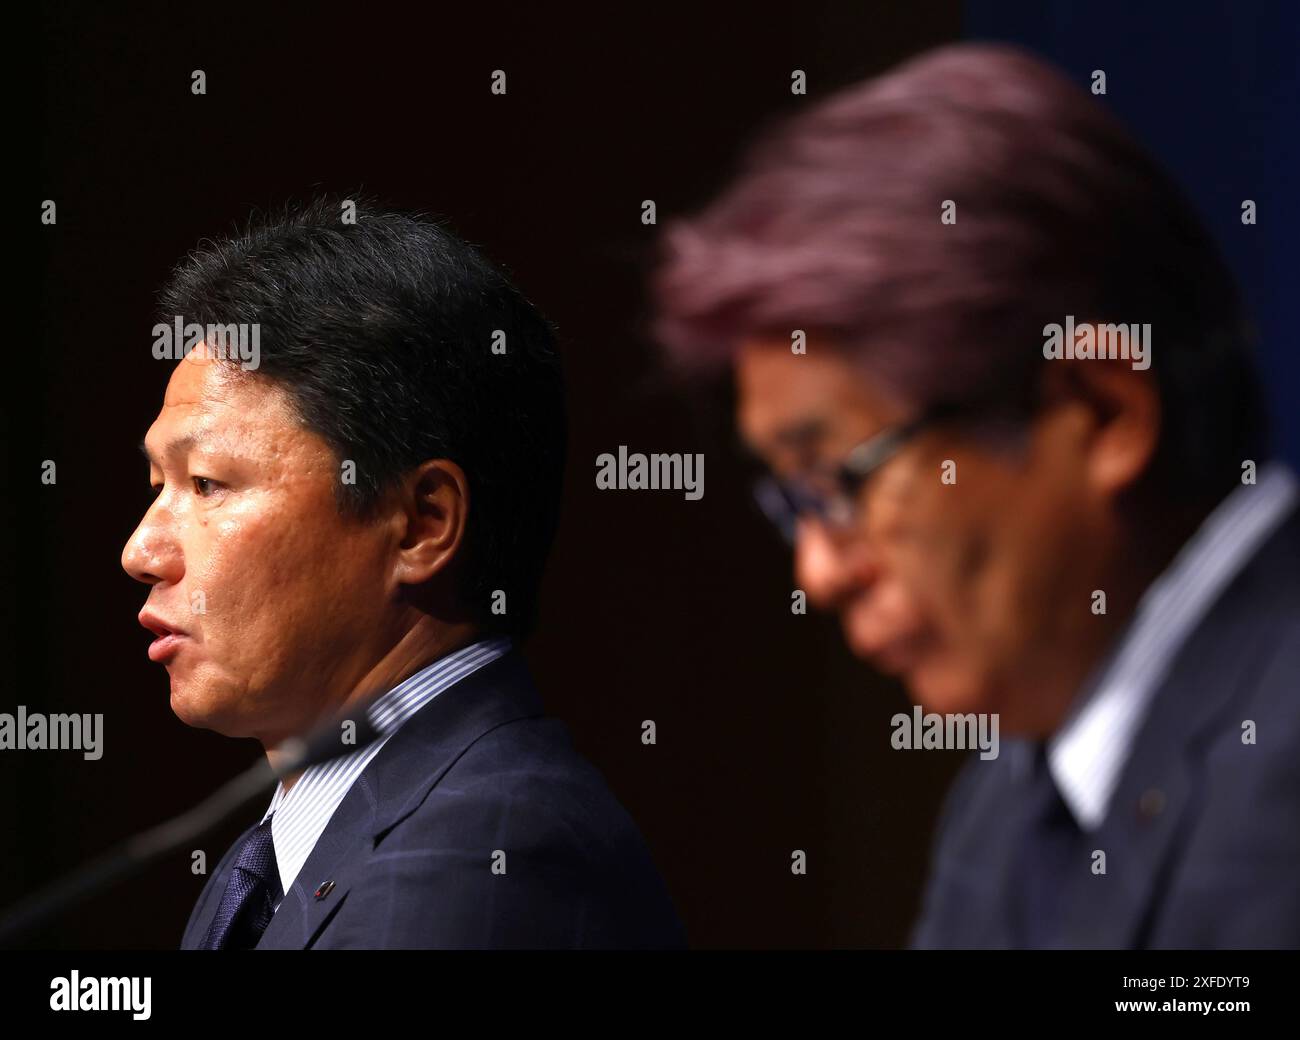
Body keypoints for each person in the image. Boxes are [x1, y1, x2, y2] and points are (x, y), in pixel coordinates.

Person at [653, 44, 1299, 948]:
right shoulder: (1006, 798)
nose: (818, 570)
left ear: (1102, 410)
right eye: (793, 500)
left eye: (843, 478)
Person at [124, 197, 684, 949]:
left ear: (422, 523)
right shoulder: (276, 863)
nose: (141, 551)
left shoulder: (487, 856)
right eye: (158, 484)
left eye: (208, 485)